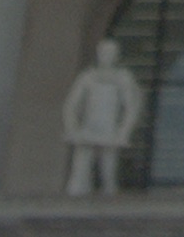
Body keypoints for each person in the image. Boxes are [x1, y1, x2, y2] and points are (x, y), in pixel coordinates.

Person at [62, 38, 145, 195]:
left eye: (110, 53)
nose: (107, 56)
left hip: (110, 131)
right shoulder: (88, 77)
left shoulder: (122, 78)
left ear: (116, 55)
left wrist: (123, 131)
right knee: (79, 173)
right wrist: (73, 128)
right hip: (88, 129)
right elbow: (71, 105)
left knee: (108, 173)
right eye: (104, 52)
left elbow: (131, 107)